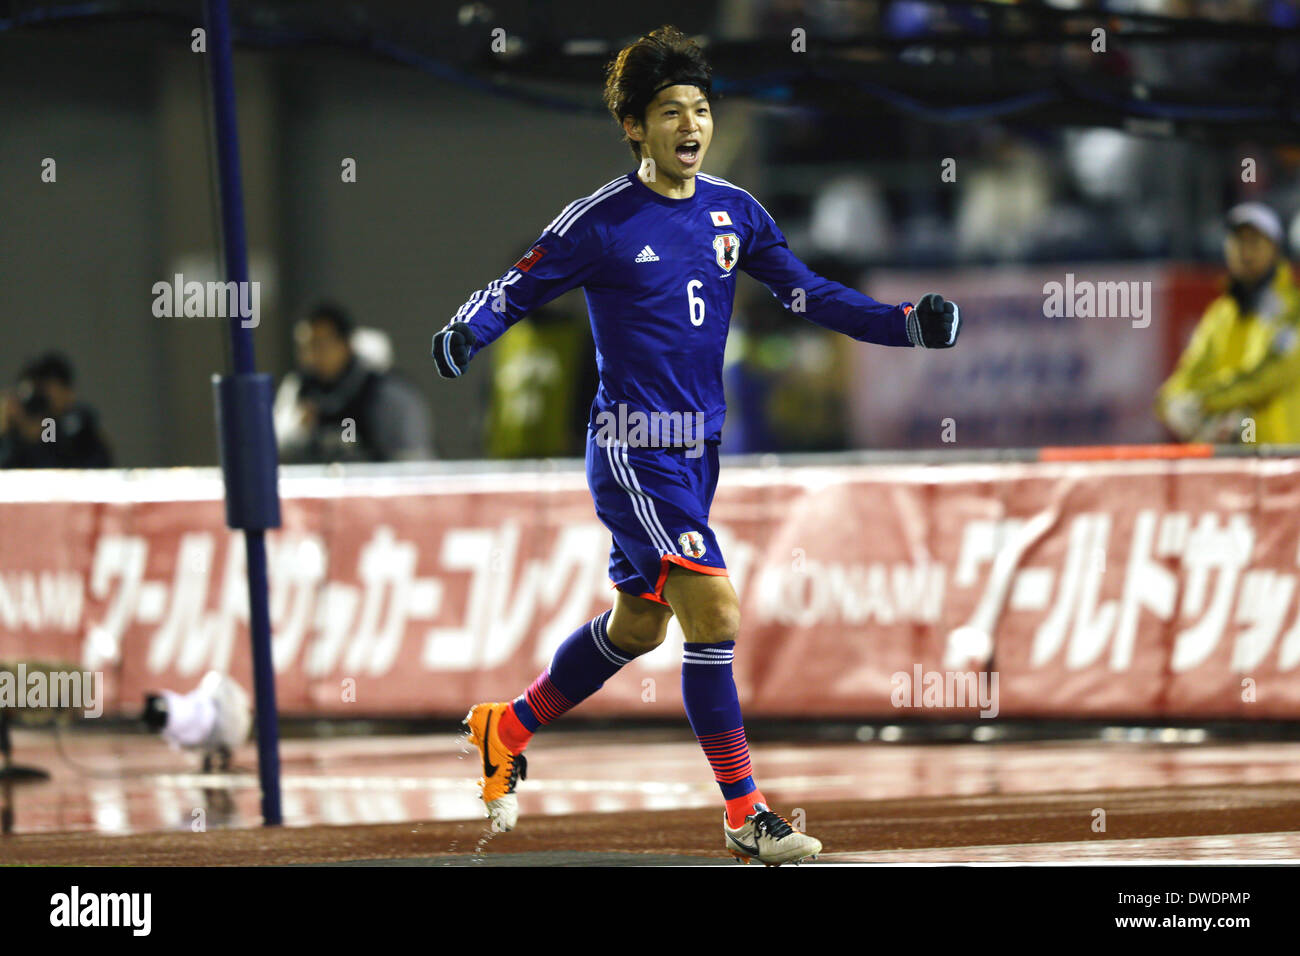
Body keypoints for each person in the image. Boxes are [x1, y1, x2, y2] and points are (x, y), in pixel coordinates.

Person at [431, 25, 961, 865]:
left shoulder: (735, 212)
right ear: (634, 127)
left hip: (696, 452)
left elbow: (808, 294)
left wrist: (902, 326)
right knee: (713, 610)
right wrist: (469, 330)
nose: (691, 124)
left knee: (639, 626)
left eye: (702, 109)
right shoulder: (599, 223)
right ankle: (746, 813)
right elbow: (520, 286)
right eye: (671, 110)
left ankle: (509, 725)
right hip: (633, 447)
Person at [1157, 203, 1300, 443]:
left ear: (1275, 250)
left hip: (1285, 461)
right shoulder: (1221, 314)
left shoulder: (1292, 309)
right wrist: (1171, 401)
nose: (1245, 251)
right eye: (1237, 241)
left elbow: (1270, 375)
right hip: (1230, 462)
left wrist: (1202, 402)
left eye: (1254, 242)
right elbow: (1191, 370)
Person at [274, 303, 433, 463]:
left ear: (346, 345)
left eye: (320, 346)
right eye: (305, 348)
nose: (311, 357)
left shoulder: (385, 392)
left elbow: (413, 461)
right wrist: (297, 430)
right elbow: (276, 448)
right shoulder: (298, 389)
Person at [0, 353, 113, 469]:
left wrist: (37, 437)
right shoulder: (20, 429)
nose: (44, 395)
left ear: (68, 391)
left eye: (49, 386)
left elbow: (65, 466)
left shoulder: (79, 423)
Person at [141, 672, 252, 772]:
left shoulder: (179, 714)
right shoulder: (178, 715)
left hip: (212, 721)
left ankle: (215, 751)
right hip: (211, 722)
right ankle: (215, 751)